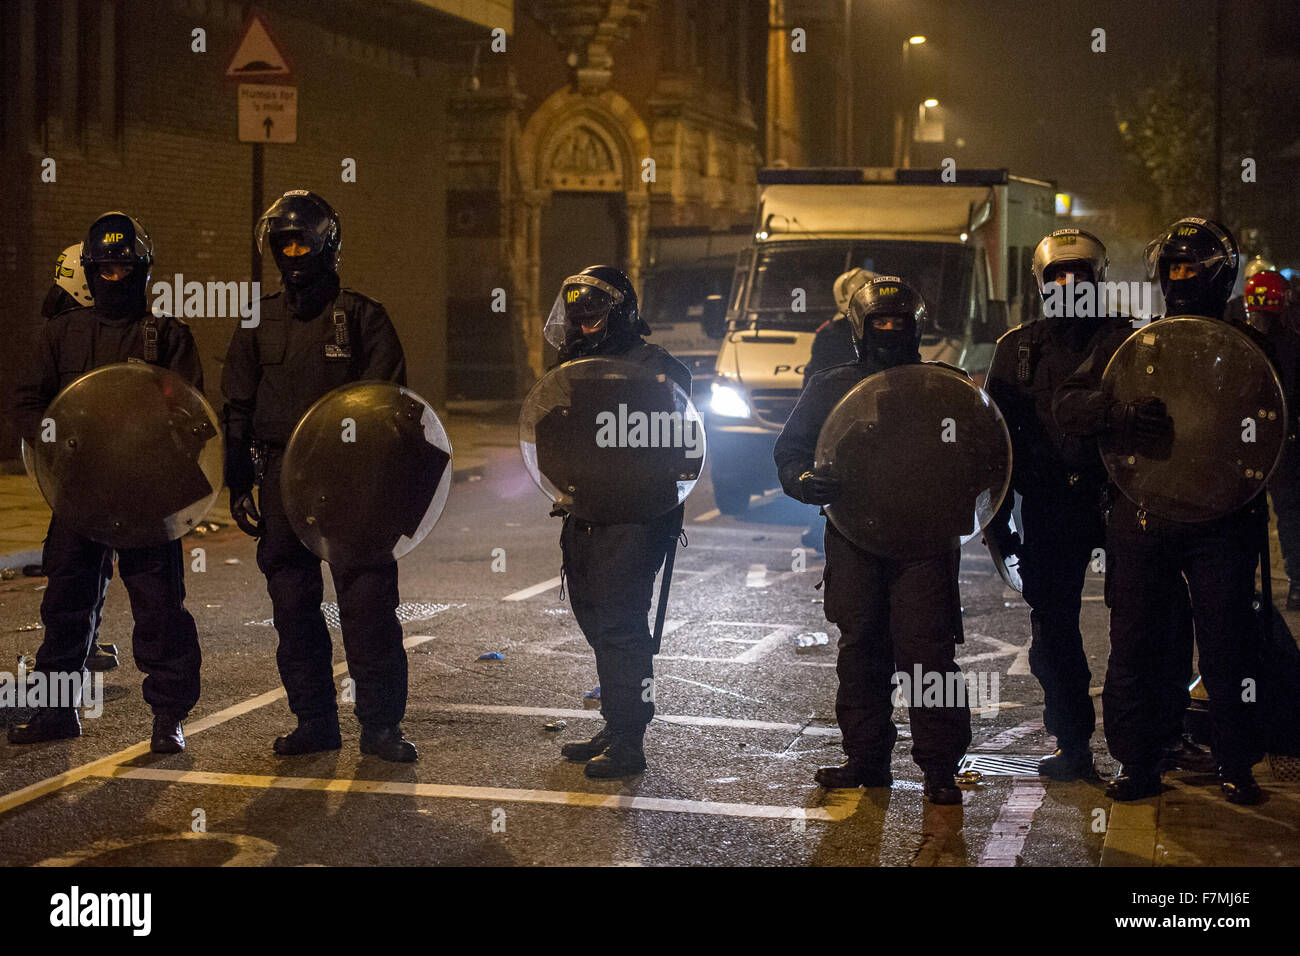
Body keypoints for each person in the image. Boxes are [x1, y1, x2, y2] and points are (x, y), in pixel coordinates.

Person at [1054, 217, 1265, 804]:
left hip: (1223, 518)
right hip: (1142, 513)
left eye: (1190, 269)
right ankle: (1139, 761)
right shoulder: (1132, 340)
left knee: (1227, 644)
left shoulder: (1251, 347)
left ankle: (1236, 762)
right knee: (1136, 642)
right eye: (1171, 269)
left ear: (1219, 275)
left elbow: (1277, 417)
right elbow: (1067, 406)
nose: (1179, 280)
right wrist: (1117, 415)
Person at [222, 189, 416, 763]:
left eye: (302, 239)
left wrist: (382, 487)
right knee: (292, 606)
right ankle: (314, 720)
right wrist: (238, 480)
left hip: (349, 481)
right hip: (281, 477)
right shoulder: (258, 318)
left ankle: (381, 727)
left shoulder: (362, 317)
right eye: (284, 242)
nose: (293, 250)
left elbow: (391, 406)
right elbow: (237, 403)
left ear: (328, 243)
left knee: (367, 607)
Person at [9, 213, 203, 752]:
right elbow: (27, 402)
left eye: (124, 266)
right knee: (66, 602)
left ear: (142, 270)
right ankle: (55, 711)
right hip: (79, 493)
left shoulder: (167, 336)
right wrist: (58, 442)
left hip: (147, 498)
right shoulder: (60, 335)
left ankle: (168, 717)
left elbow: (193, 417)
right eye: (105, 267)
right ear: (91, 271)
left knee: (160, 609)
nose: (114, 276)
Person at [775, 275, 970, 805]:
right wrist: (804, 481)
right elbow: (791, 450)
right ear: (861, 328)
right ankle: (865, 759)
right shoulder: (830, 385)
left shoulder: (944, 385)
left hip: (924, 542)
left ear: (916, 327)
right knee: (860, 650)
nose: (888, 331)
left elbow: (981, 454)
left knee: (928, 655)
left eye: (897, 322)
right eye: (878, 322)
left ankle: (939, 769)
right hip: (854, 537)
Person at [547, 265, 691, 779]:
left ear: (621, 313)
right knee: (593, 615)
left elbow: (681, 443)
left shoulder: (660, 367)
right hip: (586, 508)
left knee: (621, 623)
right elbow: (555, 427)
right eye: (577, 318)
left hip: (636, 512)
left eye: (594, 317)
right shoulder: (573, 362)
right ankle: (615, 722)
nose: (584, 327)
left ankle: (630, 739)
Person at [37, 243, 118, 673]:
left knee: (88, 562)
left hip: (75, 460)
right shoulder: (72, 328)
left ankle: (84, 643)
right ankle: (78, 647)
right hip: (80, 459)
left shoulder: (60, 319)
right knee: (84, 562)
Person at [798, 268, 873, 552]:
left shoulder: (833, 331)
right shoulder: (832, 333)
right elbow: (818, 380)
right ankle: (824, 529)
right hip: (841, 420)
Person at [1240, 270, 1300, 609]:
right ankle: (1298, 584)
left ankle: (1244, 584)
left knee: (1245, 516)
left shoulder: (1239, 341)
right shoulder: (1292, 342)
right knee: (1290, 514)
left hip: (1246, 442)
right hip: (1284, 442)